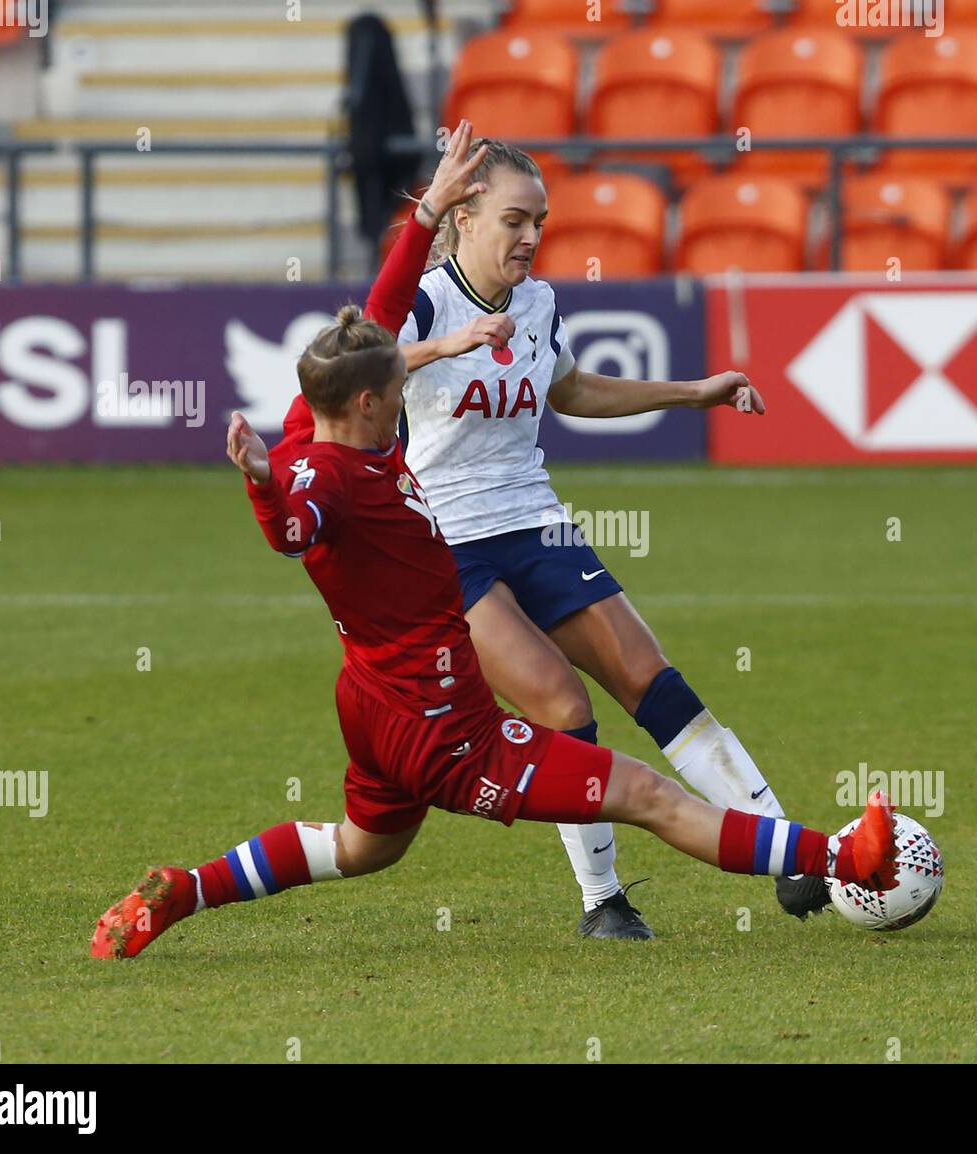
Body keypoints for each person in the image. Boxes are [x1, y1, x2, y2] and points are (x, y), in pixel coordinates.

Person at [89, 305, 899, 960]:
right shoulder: (329, 477)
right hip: (441, 725)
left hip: (372, 703)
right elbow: (295, 532)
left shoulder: (312, 430)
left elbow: (374, 328)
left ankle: (186, 888)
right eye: (401, 388)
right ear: (369, 403)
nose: (409, 395)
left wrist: (427, 209)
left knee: (367, 847)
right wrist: (264, 491)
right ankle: (840, 859)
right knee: (646, 795)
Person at [280, 135, 827, 940]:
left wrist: (692, 393)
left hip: (536, 522)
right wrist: (446, 345)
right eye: (514, 219)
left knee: (653, 677)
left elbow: (569, 389)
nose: (531, 237)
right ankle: (603, 900)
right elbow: (356, 367)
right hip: (448, 546)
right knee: (562, 703)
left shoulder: (537, 303)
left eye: (539, 220)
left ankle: (793, 857)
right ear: (463, 219)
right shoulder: (428, 303)